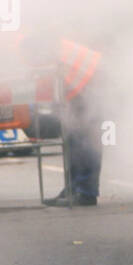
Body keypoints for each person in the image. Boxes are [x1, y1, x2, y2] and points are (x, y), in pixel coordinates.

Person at [42, 38, 104, 207]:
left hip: (88, 81)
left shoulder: (39, 47)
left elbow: (53, 74)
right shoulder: (46, 44)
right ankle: (73, 188)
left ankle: (85, 192)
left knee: (85, 139)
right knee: (73, 138)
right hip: (85, 80)